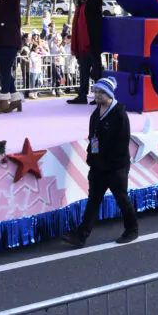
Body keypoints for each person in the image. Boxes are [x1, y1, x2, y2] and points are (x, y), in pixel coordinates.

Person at [61, 77, 139, 247]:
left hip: (116, 167)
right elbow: (93, 138)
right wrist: (92, 158)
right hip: (98, 166)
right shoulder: (96, 113)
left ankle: (132, 229)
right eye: (95, 92)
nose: (97, 95)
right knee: (93, 200)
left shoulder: (119, 114)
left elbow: (121, 143)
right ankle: (81, 235)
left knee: (121, 198)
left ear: (109, 94)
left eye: (101, 92)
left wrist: (109, 163)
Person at [68, 0, 104, 105]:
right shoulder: (79, 9)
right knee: (83, 74)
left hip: (92, 46)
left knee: (97, 74)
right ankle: (82, 96)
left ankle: (99, 98)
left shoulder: (92, 7)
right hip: (82, 48)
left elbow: (98, 0)